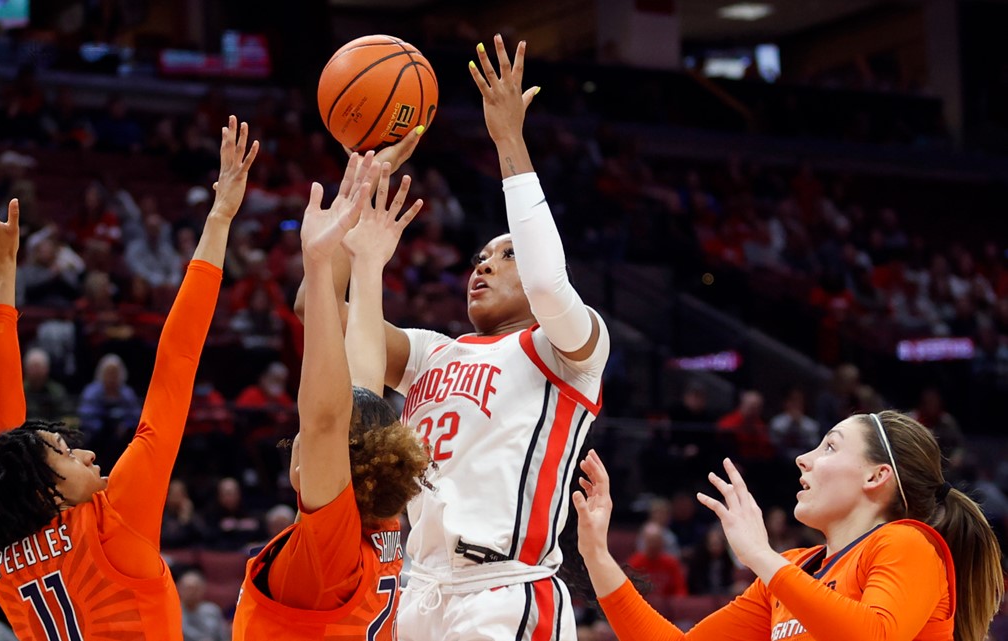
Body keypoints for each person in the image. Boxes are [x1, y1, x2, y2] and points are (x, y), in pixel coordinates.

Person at [294, 37, 609, 640]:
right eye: (479, 257)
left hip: (505, 593)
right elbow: (318, 310)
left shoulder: (569, 353)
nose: (483, 266)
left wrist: (508, 140)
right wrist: (358, 192)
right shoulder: (432, 352)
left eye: (505, 255)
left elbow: (547, 281)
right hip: (415, 591)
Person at [0, 116, 259, 640]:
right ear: (46, 493)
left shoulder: (1, 551)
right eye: (67, 455)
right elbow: (174, 366)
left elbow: (4, 432)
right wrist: (221, 216)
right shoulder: (116, 521)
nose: (87, 453)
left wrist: (2, 272)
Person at [572, 410, 1004, 641]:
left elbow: (876, 635)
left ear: (876, 476)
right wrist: (597, 555)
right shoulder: (792, 569)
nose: (804, 457)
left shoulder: (908, 543)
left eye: (829, 446)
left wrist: (760, 556)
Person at [231, 152, 429, 639]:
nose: (299, 440)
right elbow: (357, 380)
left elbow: (325, 420)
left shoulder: (332, 548)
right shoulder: (376, 523)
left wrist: (321, 266)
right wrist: (365, 263)